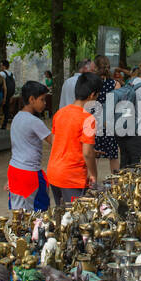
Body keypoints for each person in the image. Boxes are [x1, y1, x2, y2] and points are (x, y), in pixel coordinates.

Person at [45, 72, 100, 206]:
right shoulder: (88, 119)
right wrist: (93, 174)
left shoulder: (60, 113)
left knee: (62, 216)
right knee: (75, 219)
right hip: (72, 177)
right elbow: (87, 152)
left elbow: (60, 141)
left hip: (54, 173)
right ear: (92, 95)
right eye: (98, 96)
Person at [6, 82, 53, 211]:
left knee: (19, 211)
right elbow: (54, 141)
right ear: (31, 99)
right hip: (29, 173)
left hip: (15, 169)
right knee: (37, 213)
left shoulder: (17, 117)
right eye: (42, 99)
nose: (44, 103)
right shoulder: (34, 121)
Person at [92, 57, 120, 173]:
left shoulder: (92, 83)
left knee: (94, 154)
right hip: (109, 123)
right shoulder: (115, 84)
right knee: (113, 156)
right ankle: (115, 184)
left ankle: (92, 183)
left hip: (93, 122)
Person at [0, 60, 16, 126]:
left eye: (1, 65)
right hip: (10, 94)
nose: (0, 67)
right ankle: (5, 123)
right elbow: (14, 85)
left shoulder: (2, 74)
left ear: (4, 66)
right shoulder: (12, 75)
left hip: (3, 94)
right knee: (6, 109)